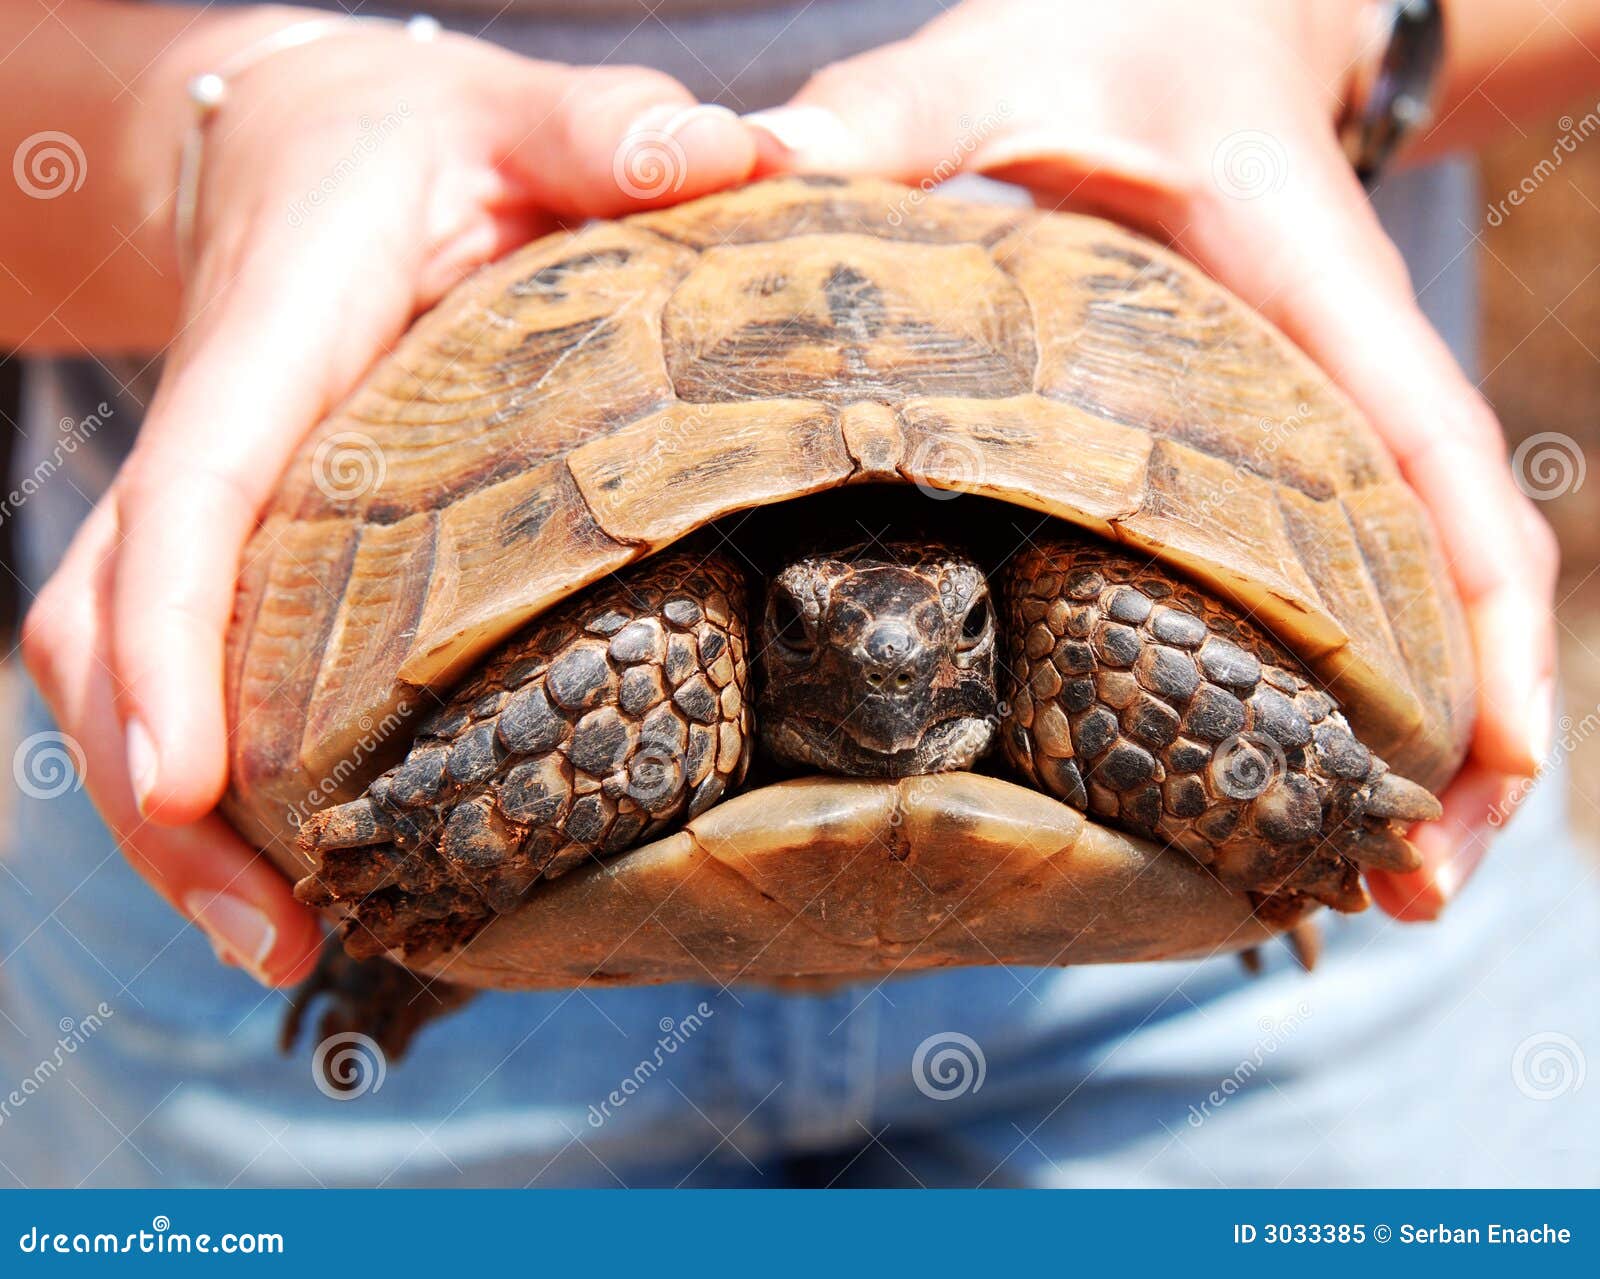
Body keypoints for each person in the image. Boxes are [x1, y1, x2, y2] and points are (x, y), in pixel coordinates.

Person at [0, 0, 1594, 1187]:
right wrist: (208, 127)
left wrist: (1335, 27)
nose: (894, 667)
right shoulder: (675, 658)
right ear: (766, 628)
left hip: (1265, 1017)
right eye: (815, 630)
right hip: (255, 955)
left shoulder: (1073, 633)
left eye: (954, 631)